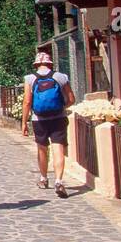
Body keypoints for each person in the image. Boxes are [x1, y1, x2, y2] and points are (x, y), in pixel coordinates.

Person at [21, 50, 76, 197]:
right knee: (58, 149)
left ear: (36, 64)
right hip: (58, 118)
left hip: (39, 120)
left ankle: (44, 179)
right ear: (50, 63)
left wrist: (24, 122)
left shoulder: (30, 79)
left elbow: (27, 102)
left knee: (42, 149)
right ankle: (58, 181)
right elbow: (71, 99)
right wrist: (61, 107)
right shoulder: (60, 77)